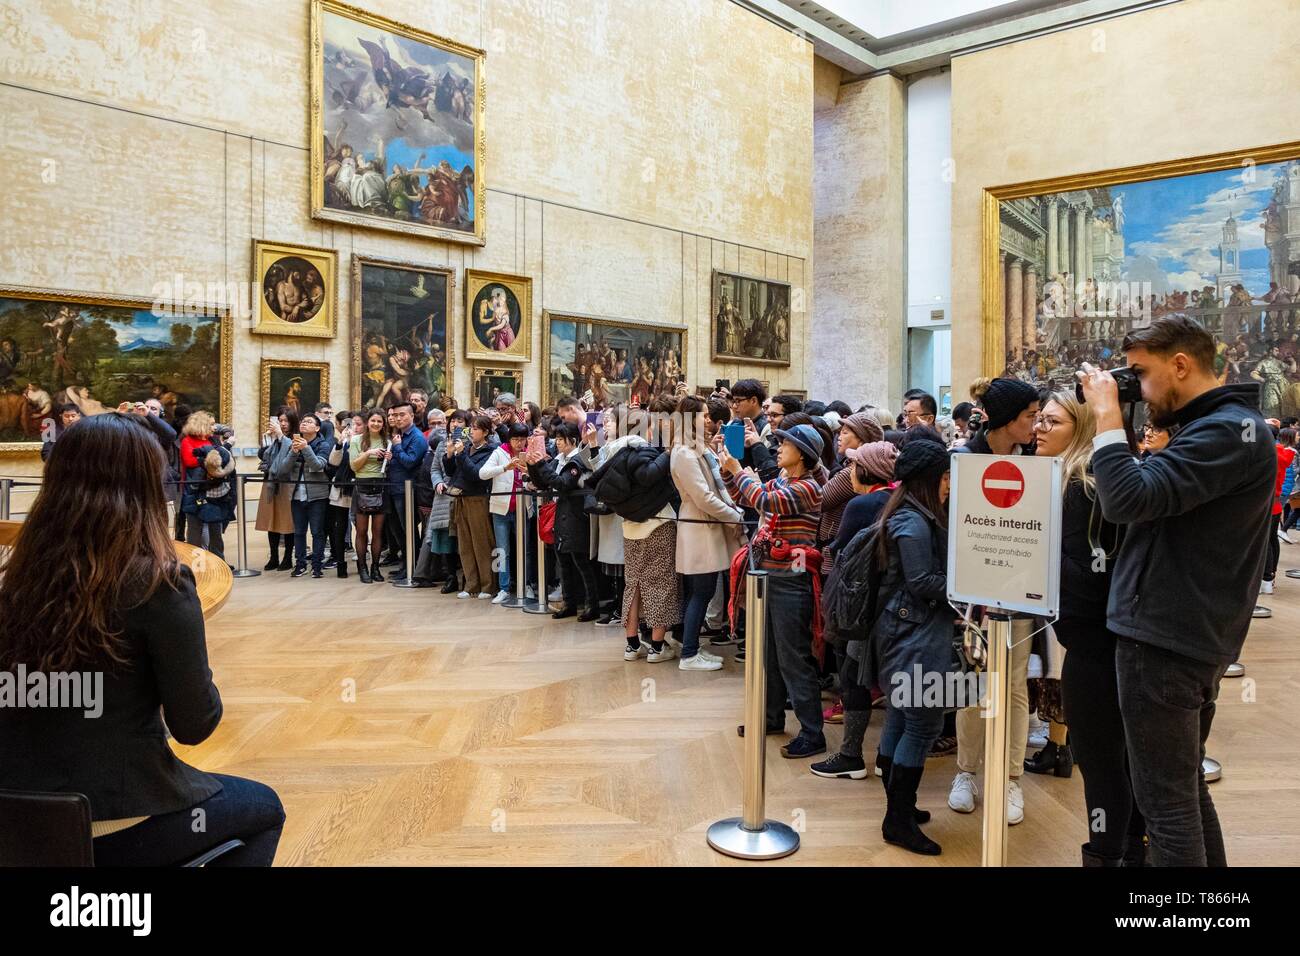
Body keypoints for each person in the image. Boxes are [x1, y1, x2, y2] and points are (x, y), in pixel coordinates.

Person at [0, 413, 285, 865]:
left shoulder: (14, 580)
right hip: (112, 819)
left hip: (12, 815)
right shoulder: (159, 584)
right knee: (265, 808)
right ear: (145, 489)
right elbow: (195, 725)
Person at [1076, 316, 1275, 865]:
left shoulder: (1224, 430)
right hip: (1183, 630)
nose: (1134, 386)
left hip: (1166, 637)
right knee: (1182, 789)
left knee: (1163, 806)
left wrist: (1108, 416)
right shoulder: (1222, 426)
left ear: (1181, 365)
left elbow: (1127, 501)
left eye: (1140, 373)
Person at [1030, 390, 1144, 865]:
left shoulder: (1081, 486)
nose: (1038, 427)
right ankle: (1130, 852)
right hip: (1109, 642)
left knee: (1101, 767)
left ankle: (1105, 855)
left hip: (1098, 646)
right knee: (1121, 765)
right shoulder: (1087, 480)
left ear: (1078, 430)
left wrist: (1032, 560)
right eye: (1038, 418)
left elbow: (1090, 577)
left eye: (1051, 422)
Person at [865, 438, 951, 855]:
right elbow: (921, 583)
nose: (950, 485)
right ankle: (897, 819)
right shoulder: (914, 523)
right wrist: (967, 586)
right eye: (946, 477)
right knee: (921, 724)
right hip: (913, 634)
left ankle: (901, 806)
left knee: (901, 717)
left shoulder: (907, 513)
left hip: (905, 632)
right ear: (930, 480)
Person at [719, 422, 826, 758]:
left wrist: (740, 471)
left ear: (803, 455)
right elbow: (745, 497)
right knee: (767, 655)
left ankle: (813, 733)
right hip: (769, 575)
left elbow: (765, 501)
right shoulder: (783, 479)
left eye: (785, 445)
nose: (779, 448)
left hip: (791, 580)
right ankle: (771, 718)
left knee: (793, 658)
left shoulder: (808, 487)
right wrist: (728, 470)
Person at [811, 440, 899, 773]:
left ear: (867, 469)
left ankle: (851, 756)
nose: (849, 472)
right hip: (888, 604)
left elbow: (840, 547)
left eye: (854, 465)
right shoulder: (897, 498)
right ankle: (886, 758)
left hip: (856, 602)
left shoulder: (862, 504)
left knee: (853, 677)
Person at [671, 395, 743, 671]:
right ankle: (689, 654)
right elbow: (703, 498)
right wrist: (734, 515)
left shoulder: (696, 449)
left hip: (705, 525)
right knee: (701, 592)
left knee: (701, 591)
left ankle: (691, 647)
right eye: (703, 415)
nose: (709, 420)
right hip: (699, 526)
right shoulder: (685, 453)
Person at [527, 420, 601, 621]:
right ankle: (569, 603)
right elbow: (543, 482)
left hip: (577, 518)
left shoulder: (577, 461)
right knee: (564, 562)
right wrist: (533, 465)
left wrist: (541, 464)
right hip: (562, 515)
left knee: (582, 563)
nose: (557, 442)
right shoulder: (558, 460)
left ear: (572, 440)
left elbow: (563, 484)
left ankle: (591, 605)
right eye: (556, 439)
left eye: (561, 439)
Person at [444, 415, 499, 599]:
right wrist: (450, 454)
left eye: (476, 429)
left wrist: (461, 455)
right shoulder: (467, 448)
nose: (471, 432)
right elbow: (451, 471)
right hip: (461, 497)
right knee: (465, 544)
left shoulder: (491, 451)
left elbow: (476, 474)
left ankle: (488, 585)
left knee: (482, 543)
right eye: (471, 428)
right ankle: (470, 585)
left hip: (478, 498)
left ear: (485, 432)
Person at [274, 412, 332, 578]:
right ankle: (300, 565)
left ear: (317, 427)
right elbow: (283, 469)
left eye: (309, 422)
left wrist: (305, 448)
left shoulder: (323, 445)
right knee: (299, 532)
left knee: (317, 532)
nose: (304, 424)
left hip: (317, 496)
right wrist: (293, 451)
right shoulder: (293, 443)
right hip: (296, 495)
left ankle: (316, 565)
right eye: (303, 421)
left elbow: (318, 465)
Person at [480, 421, 529, 603]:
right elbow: (482, 473)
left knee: (526, 549)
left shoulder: (530, 453)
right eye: (515, 439)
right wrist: (505, 467)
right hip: (501, 508)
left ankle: (527, 584)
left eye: (522, 439)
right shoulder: (499, 453)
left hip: (523, 508)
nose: (519, 443)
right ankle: (503, 587)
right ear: (509, 439)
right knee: (501, 550)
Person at [818, 411, 884, 545]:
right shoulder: (863, 467)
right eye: (840, 432)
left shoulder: (853, 472)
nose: (839, 437)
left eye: (845, 432)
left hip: (835, 544)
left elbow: (819, 501)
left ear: (862, 439)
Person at [179, 411, 235, 561]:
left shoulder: (213, 439)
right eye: (211, 424)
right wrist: (210, 459)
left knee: (215, 531)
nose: (214, 427)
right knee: (195, 531)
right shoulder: (187, 441)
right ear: (201, 424)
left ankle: (218, 564)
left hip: (215, 491)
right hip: (195, 490)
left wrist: (209, 456)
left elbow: (223, 457)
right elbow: (190, 461)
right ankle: (197, 566)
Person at [383, 401, 429, 582]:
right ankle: (405, 565)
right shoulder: (399, 435)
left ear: (411, 416)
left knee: (408, 530)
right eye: (395, 415)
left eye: (402, 415)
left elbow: (410, 462)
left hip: (407, 490)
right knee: (397, 530)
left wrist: (397, 448)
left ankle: (413, 568)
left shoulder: (416, 437)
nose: (398, 418)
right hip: (394, 488)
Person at [349, 409, 391, 583]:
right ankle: (362, 567)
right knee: (361, 530)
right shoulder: (356, 440)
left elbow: (389, 467)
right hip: (362, 484)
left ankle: (375, 567)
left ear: (383, 424)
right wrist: (368, 453)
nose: (376, 424)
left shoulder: (386, 441)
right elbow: (354, 466)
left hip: (380, 484)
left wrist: (390, 457)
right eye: (373, 421)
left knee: (378, 531)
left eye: (379, 421)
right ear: (367, 422)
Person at [256, 407, 298, 571]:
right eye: (280, 420)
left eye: (286, 421)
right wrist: (268, 441)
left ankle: (288, 557)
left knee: (288, 523)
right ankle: (273, 556)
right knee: (271, 521)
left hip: (286, 484)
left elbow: (288, 456)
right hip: (271, 483)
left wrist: (280, 435)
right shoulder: (273, 439)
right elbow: (264, 456)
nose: (282, 424)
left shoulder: (295, 437)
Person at [325, 410, 360, 579]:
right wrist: (340, 443)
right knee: (339, 527)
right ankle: (340, 563)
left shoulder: (362, 441)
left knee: (360, 525)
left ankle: (362, 563)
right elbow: (333, 462)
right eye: (347, 425)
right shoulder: (341, 441)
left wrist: (353, 441)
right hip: (340, 489)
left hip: (359, 488)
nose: (350, 427)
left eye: (354, 424)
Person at [1262, 425, 1296, 593]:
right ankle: (1271, 577)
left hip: (1265, 502)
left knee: (1265, 541)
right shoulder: (1283, 453)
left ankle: (1266, 579)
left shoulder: (1270, 452)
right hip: (1275, 501)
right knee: (1272, 539)